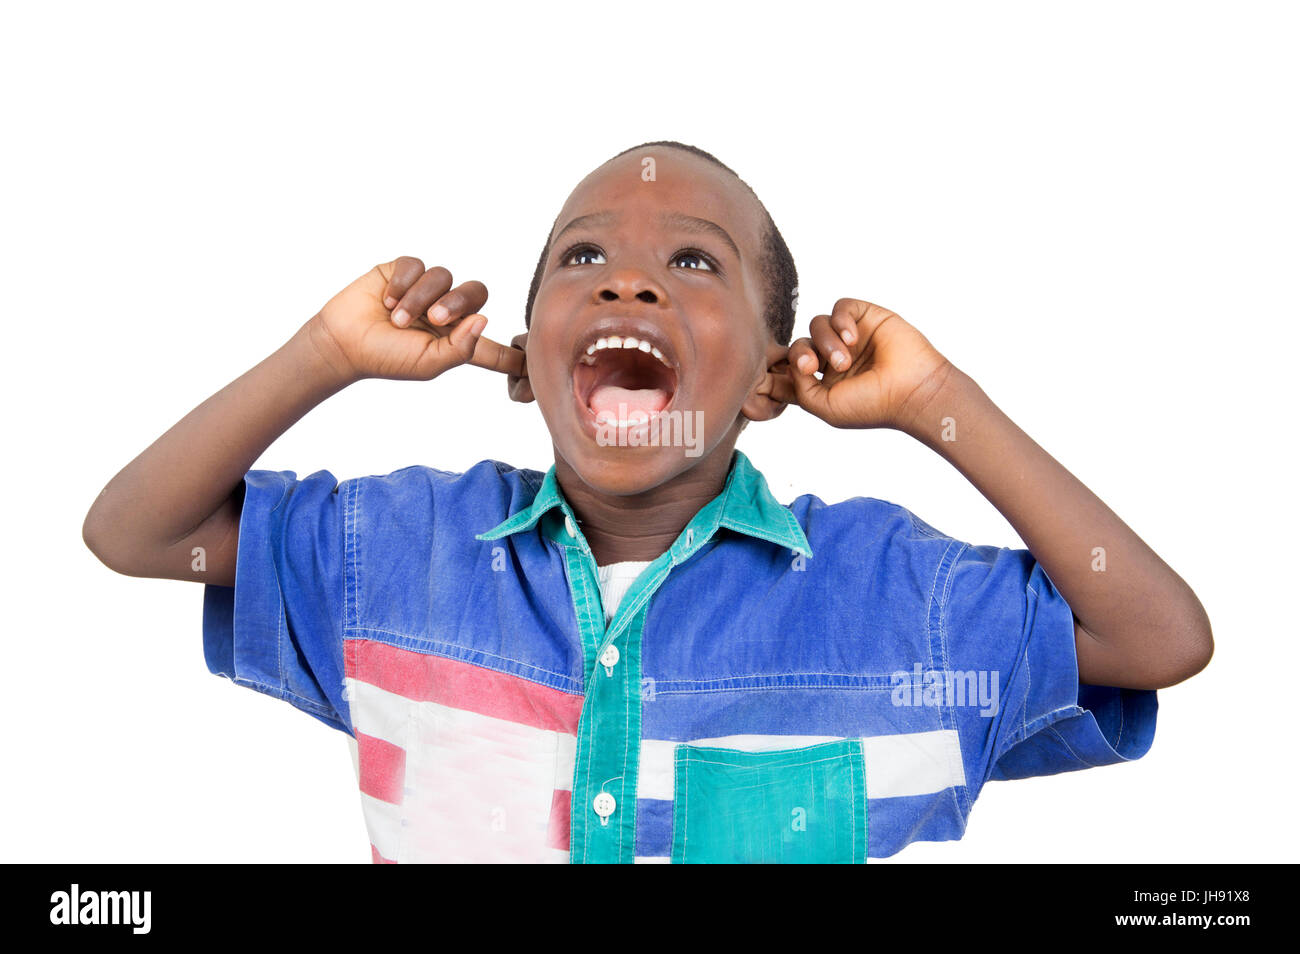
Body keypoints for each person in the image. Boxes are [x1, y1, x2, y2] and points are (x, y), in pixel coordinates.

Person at [82, 140, 1213, 863]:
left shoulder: (892, 601)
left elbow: (1153, 635)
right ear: (525, 365)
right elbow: (140, 531)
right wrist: (325, 353)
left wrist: (935, 400)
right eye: (582, 259)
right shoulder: (394, 555)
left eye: (695, 264)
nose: (629, 280)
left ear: (772, 380)